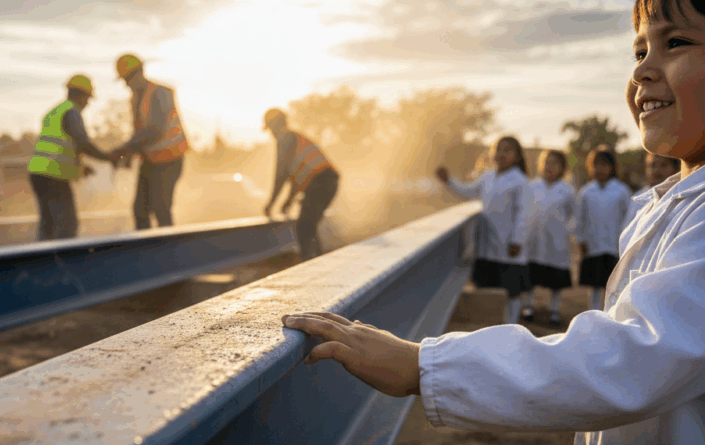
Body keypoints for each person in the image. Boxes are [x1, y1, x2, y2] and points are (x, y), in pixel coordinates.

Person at [281, 0, 705, 443]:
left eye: (675, 42)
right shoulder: (665, 202)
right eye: (639, 53)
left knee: (522, 286)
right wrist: (449, 182)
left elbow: (633, 358)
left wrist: (422, 366)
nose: (641, 72)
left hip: (524, 246)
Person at [436, 136, 533, 324]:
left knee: (511, 290)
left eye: (507, 150)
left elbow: (524, 213)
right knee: (487, 287)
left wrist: (517, 240)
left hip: (510, 245)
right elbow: (468, 192)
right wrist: (449, 181)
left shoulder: (521, 181)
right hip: (487, 243)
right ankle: (490, 326)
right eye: (498, 149)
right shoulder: (487, 176)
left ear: (517, 156)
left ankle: (510, 327)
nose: (501, 154)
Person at [28, 74, 115, 241]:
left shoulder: (55, 111)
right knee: (67, 225)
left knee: (49, 224)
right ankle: (64, 263)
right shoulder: (72, 112)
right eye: (88, 98)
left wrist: (81, 168)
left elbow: (63, 148)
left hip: (39, 173)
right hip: (53, 177)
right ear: (81, 95)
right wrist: (108, 158)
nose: (88, 103)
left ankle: (45, 261)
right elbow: (82, 143)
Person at [111, 54, 188, 230]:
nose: (126, 84)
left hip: (170, 159)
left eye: (128, 78)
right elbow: (140, 133)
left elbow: (155, 129)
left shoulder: (161, 92)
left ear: (140, 73)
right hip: (151, 160)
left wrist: (124, 149)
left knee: (160, 207)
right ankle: (145, 249)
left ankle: (169, 248)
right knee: (140, 210)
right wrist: (129, 153)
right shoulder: (135, 99)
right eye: (124, 79)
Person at [262, 108, 339, 261]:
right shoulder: (295, 139)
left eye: (270, 128)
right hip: (327, 181)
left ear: (275, 125)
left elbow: (281, 175)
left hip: (321, 181)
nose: (270, 133)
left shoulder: (285, 139)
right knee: (309, 224)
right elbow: (296, 179)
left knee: (305, 225)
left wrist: (270, 204)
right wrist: (288, 201)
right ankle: (316, 260)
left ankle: (310, 263)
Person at [521, 150, 575, 326]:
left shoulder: (567, 190)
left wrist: (568, 231)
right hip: (534, 239)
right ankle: (528, 307)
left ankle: (554, 310)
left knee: (556, 280)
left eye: (554, 163)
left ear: (562, 168)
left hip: (557, 240)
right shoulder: (531, 186)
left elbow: (575, 215)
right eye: (546, 162)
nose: (548, 167)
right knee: (531, 275)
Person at [575, 150, 631, 311]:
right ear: (590, 167)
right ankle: (593, 314)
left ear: (612, 167)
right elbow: (580, 219)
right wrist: (581, 240)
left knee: (614, 285)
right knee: (594, 285)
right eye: (596, 164)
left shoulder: (622, 191)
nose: (599, 169)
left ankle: (611, 315)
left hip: (615, 247)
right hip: (592, 245)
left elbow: (628, 219)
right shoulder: (586, 192)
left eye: (604, 165)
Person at [625, 152, 681, 225]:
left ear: (675, 168)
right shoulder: (639, 198)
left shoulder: (680, 195)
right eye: (652, 165)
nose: (657, 170)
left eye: (663, 165)